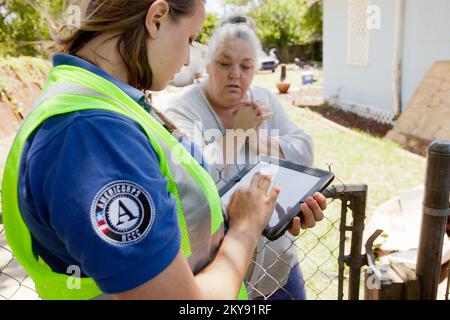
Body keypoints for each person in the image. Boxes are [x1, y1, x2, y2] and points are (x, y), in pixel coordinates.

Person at [1, 0, 326, 300]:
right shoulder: (92, 134)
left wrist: (247, 212)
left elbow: (177, 211)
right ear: (156, 19)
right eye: (189, 38)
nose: (187, 59)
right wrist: (245, 228)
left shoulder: (107, 108)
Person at [163, 20, 324, 300]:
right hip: (217, 272)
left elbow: (304, 149)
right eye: (225, 64)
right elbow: (196, 178)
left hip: (278, 262)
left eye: (246, 66)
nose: (235, 75)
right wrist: (237, 132)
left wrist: (255, 138)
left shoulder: (262, 99)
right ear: (208, 65)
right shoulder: (182, 110)